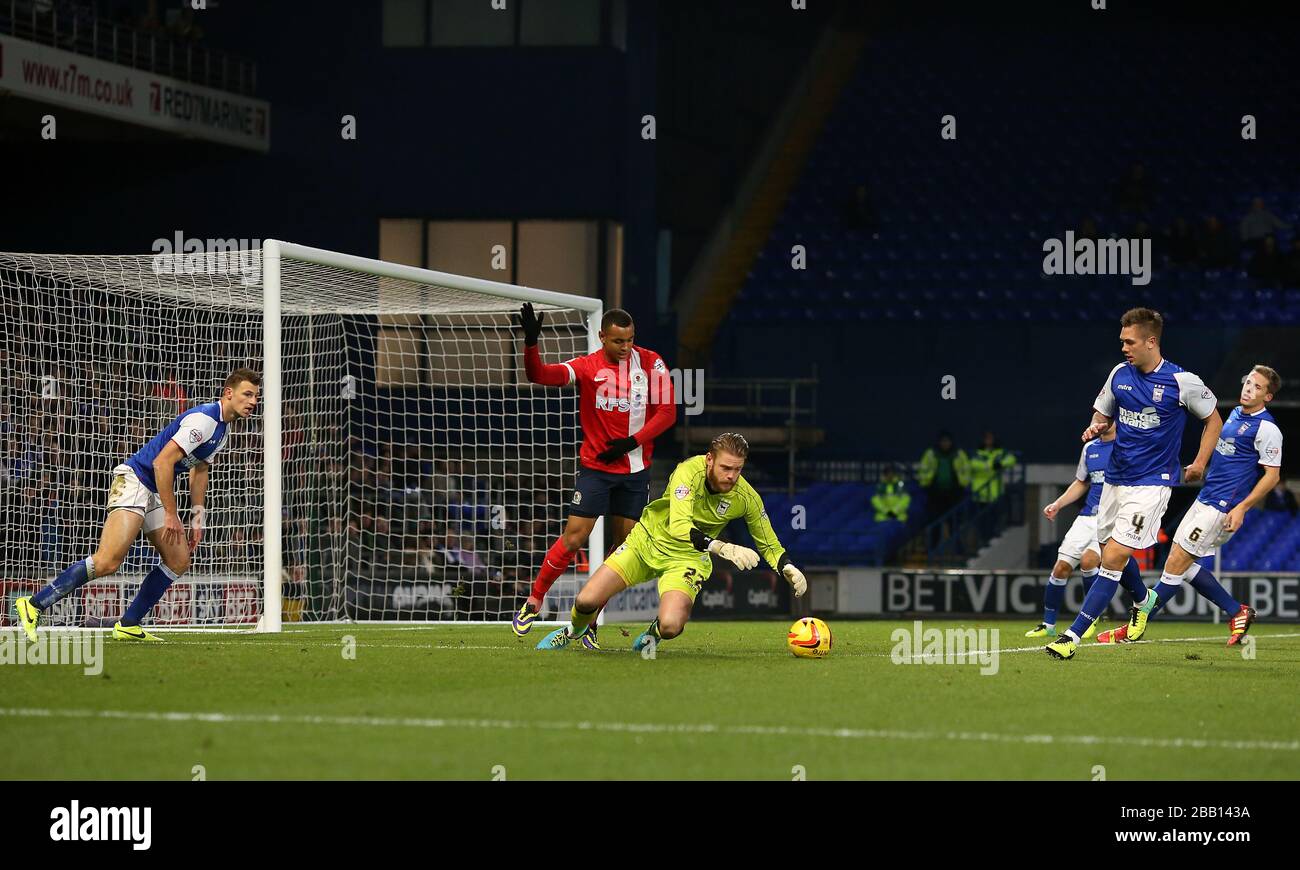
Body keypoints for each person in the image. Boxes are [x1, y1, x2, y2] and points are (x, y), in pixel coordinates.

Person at [15, 368, 261, 642]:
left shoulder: (223, 431)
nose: (252, 402)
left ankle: (129, 623)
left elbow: (200, 470)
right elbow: (161, 462)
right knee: (108, 562)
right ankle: (34, 604)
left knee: (179, 560)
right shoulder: (203, 420)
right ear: (229, 393)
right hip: (136, 480)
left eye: (255, 397)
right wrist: (171, 513)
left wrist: (197, 518)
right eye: (247, 394)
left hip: (154, 489)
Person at [1045, 309, 1222, 660]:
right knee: (1111, 547)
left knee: (1112, 556)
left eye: (1130, 342)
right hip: (1115, 478)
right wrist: (1096, 426)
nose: (1124, 348)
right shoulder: (1119, 375)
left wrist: (1200, 461)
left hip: (1151, 484)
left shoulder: (1182, 381)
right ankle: (1144, 600)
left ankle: (1072, 636)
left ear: (1151, 342)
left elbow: (1213, 419)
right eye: (1122, 341)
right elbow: (1103, 413)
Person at [534, 433, 806, 652]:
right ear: (709, 460)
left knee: (671, 626)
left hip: (687, 559)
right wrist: (721, 547)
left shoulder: (745, 496)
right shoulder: (687, 472)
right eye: (725, 468)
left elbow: (769, 543)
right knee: (585, 601)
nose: (731, 476)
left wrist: (787, 567)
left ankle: (654, 632)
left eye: (737, 470)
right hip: (647, 541)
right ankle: (571, 631)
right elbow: (679, 526)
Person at [509, 304, 676, 649]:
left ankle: (589, 624)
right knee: (574, 538)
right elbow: (538, 375)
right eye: (617, 341)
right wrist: (530, 343)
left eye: (630, 340)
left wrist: (631, 442)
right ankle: (534, 601)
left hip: (634, 472)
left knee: (622, 550)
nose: (625, 347)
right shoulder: (587, 366)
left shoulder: (651, 362)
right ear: (602, 337)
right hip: (596, 470)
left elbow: (668, 412)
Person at [1097, 366, 1282, 647]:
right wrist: (1200, 465)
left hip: (1223, 506)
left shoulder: (1267, 428)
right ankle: (1236, 611)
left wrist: (1242, 507)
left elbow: (1273, 475)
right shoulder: (1233, 415)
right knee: (1183, 562)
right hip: (1205, 498)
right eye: (1248, 383)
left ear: (1267, 396)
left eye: (1257, 387)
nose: (1248, 389)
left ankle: (1136, 623)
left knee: (1176, 563)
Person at [1027, 421, 1145, 639]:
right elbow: (1081, 482)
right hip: (1086, 517)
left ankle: (1091, 617)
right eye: (1097, 418)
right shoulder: (1090, 448)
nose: (1100, 422)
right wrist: (1058, 504)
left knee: (1089, 561)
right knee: (1060, 568)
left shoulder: (1126, 445)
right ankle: (1048, 624)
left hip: (1111, 519)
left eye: (1105, 417)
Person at [917, 431, 970, 523]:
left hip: (954, 493)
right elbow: (922, 471)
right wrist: (926, 483)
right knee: (934, 521)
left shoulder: (959, 454)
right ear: (939, 442)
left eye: (947, 441)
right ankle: (935, 537)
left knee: (954, 521)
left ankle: (955, 537)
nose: (945, 444)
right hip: (935, 493)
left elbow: (967, 470)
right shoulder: (930, 454)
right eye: (943, 441)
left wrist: (963, 484)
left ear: (951, 442)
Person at [968, 430, 1017, 504]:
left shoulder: (1000, 452)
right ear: (983, 440)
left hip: (996, 493)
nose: (989, 440)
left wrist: (1001, 463)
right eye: (986, 438)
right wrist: (991, 465)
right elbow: (973, 463)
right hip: (980, 492)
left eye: (990, 438)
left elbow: (1012, 459)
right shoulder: (977, 453)